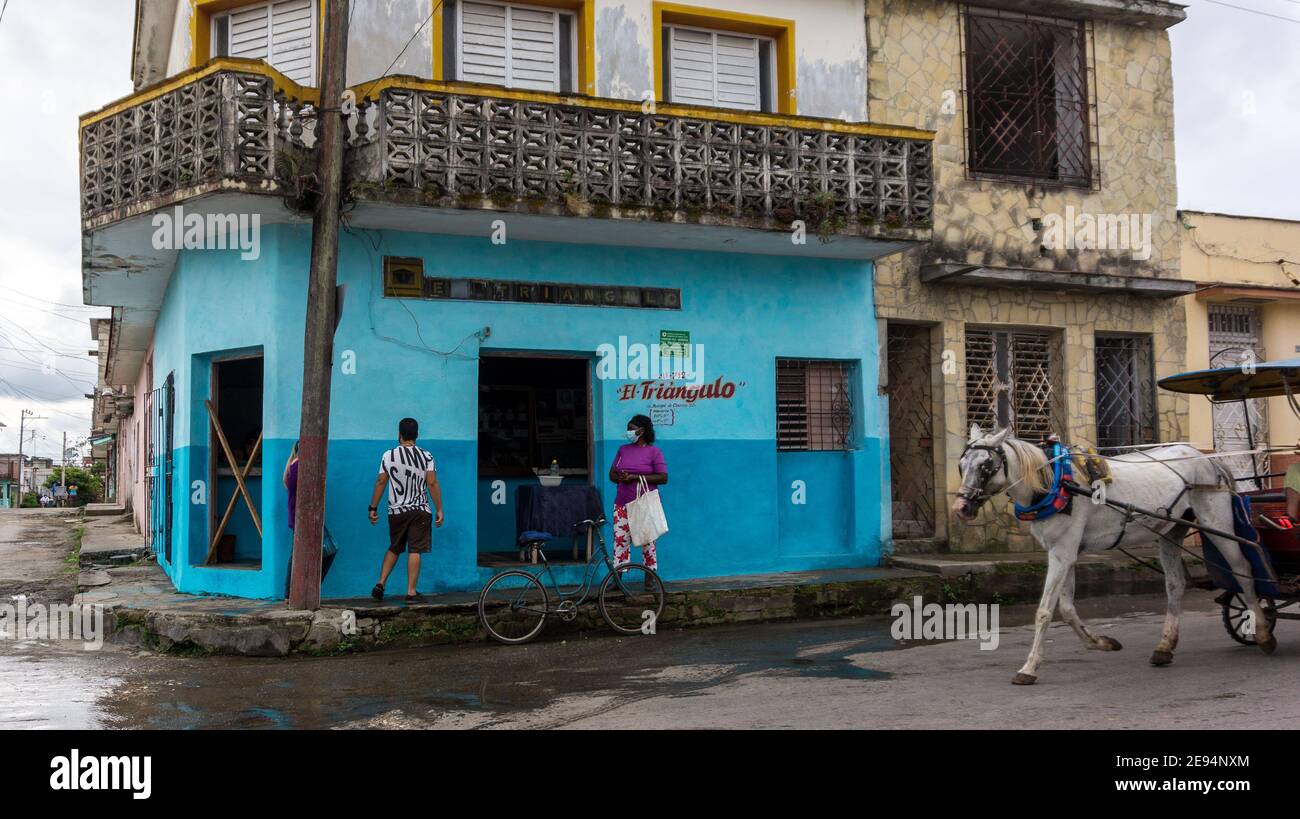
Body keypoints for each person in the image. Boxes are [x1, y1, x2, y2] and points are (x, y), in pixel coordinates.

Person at [368, 417, 444, 603]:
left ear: (399, 435)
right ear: (417, 435)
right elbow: (432, 483)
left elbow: (381, 481)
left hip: (396, 511)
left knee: (395, 546)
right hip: (420, 510)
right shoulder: (427, 456)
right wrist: (439, 508)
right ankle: (411, 592)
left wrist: (373, 507)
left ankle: (380, 583)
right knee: (415, 549)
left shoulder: (388, 455)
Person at [609, 414, 667, 587]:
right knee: (620, 540)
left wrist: (634, 477)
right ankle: (617, 579)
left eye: (631, 429)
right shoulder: (622, 450)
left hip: (644, 504)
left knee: (648, 540)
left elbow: (663, 477)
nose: (628, 432)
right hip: (622, 503)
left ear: (641, 431)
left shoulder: (654, 452)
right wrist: (621, 477)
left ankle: (650, 578)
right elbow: (612, 473)